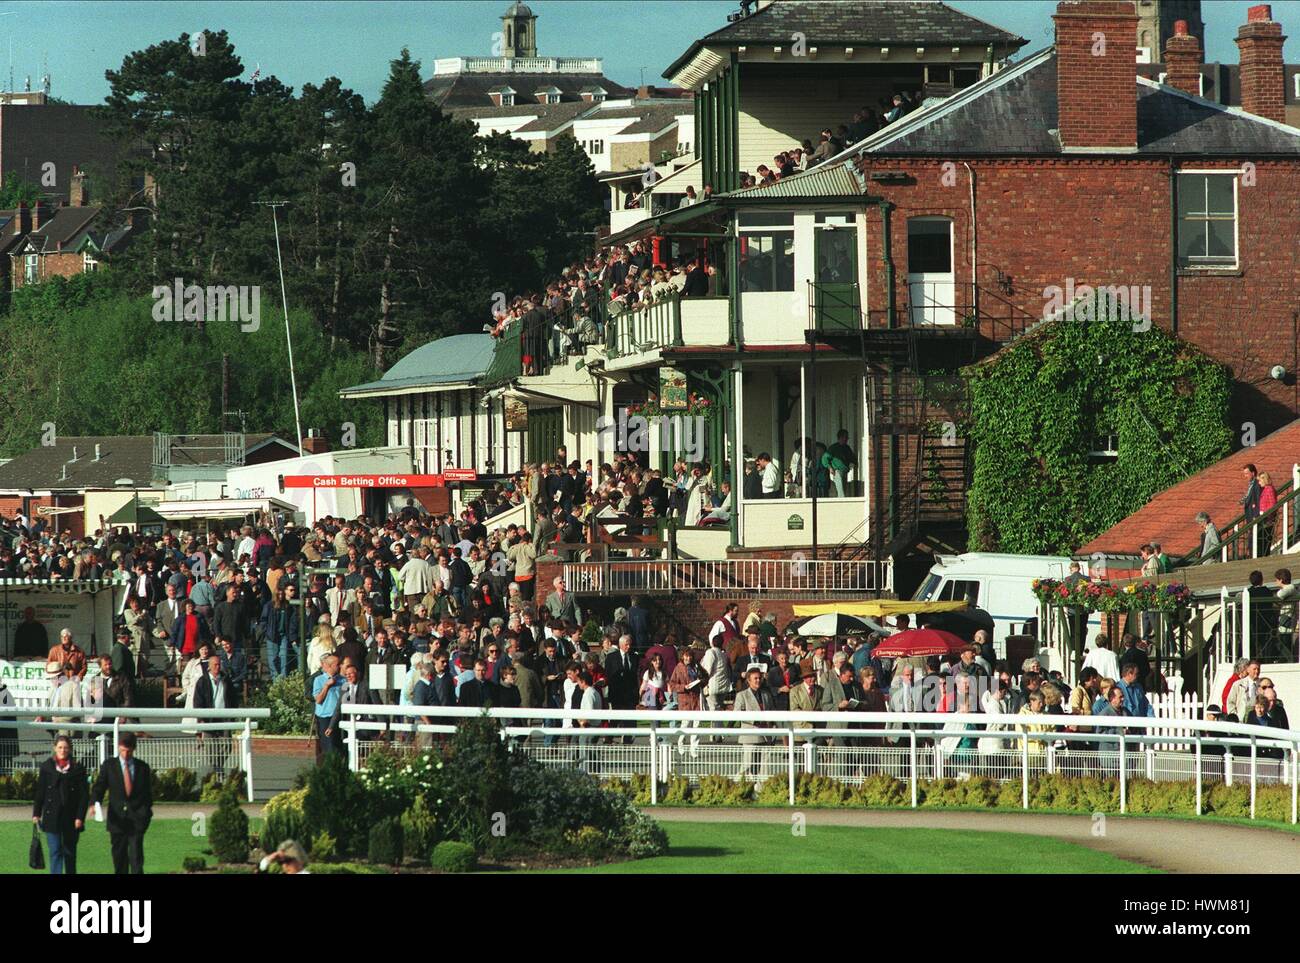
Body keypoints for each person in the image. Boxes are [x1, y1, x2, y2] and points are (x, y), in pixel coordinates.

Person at [90, 731, 153, 875]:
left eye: (128, 751)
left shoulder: (142, 767)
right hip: (117, 820)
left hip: (137, 819)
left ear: (134, 749)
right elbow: (100, 787)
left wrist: (146, 814)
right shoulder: (109, 766)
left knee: (136, 858)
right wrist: (94, 803)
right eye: (123, 750)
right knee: (119, 858)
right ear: (118, 747)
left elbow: (147, 794)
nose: (125, 754)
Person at [32, 735, 89, 875]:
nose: (63, 750)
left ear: (70, 749)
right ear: (55, 748)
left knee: (69, 852)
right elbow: (41, 792)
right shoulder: (47, 767)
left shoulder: (78, 769)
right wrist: (36, 813)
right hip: (52, 816)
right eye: (60, 747)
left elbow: (83, 797)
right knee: (55, 851)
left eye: (65, 748)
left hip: (71, 817)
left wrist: (80, 817)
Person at [733, 666, 775, 778]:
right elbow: (737, 713)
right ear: (748, 680)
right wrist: (754, 720)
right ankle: (738, 784)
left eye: (759, 678)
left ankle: (761, 789)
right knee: (747, 765)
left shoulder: (766, 694)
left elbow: (771, 711)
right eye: (755, 678)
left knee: (765, 766)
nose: (758, 680)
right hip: (749, 734)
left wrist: (773, 726)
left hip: (766, 734)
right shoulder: (742, 695)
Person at [312, 654, 344, 757]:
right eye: (337, 665)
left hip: (340, 716)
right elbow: (318, 700)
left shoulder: (343, 680)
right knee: (329, 746)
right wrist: (327, 686)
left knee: (340, 746)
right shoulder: (319, 680)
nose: (340, 666)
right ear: (330, 666)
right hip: (326, 717)